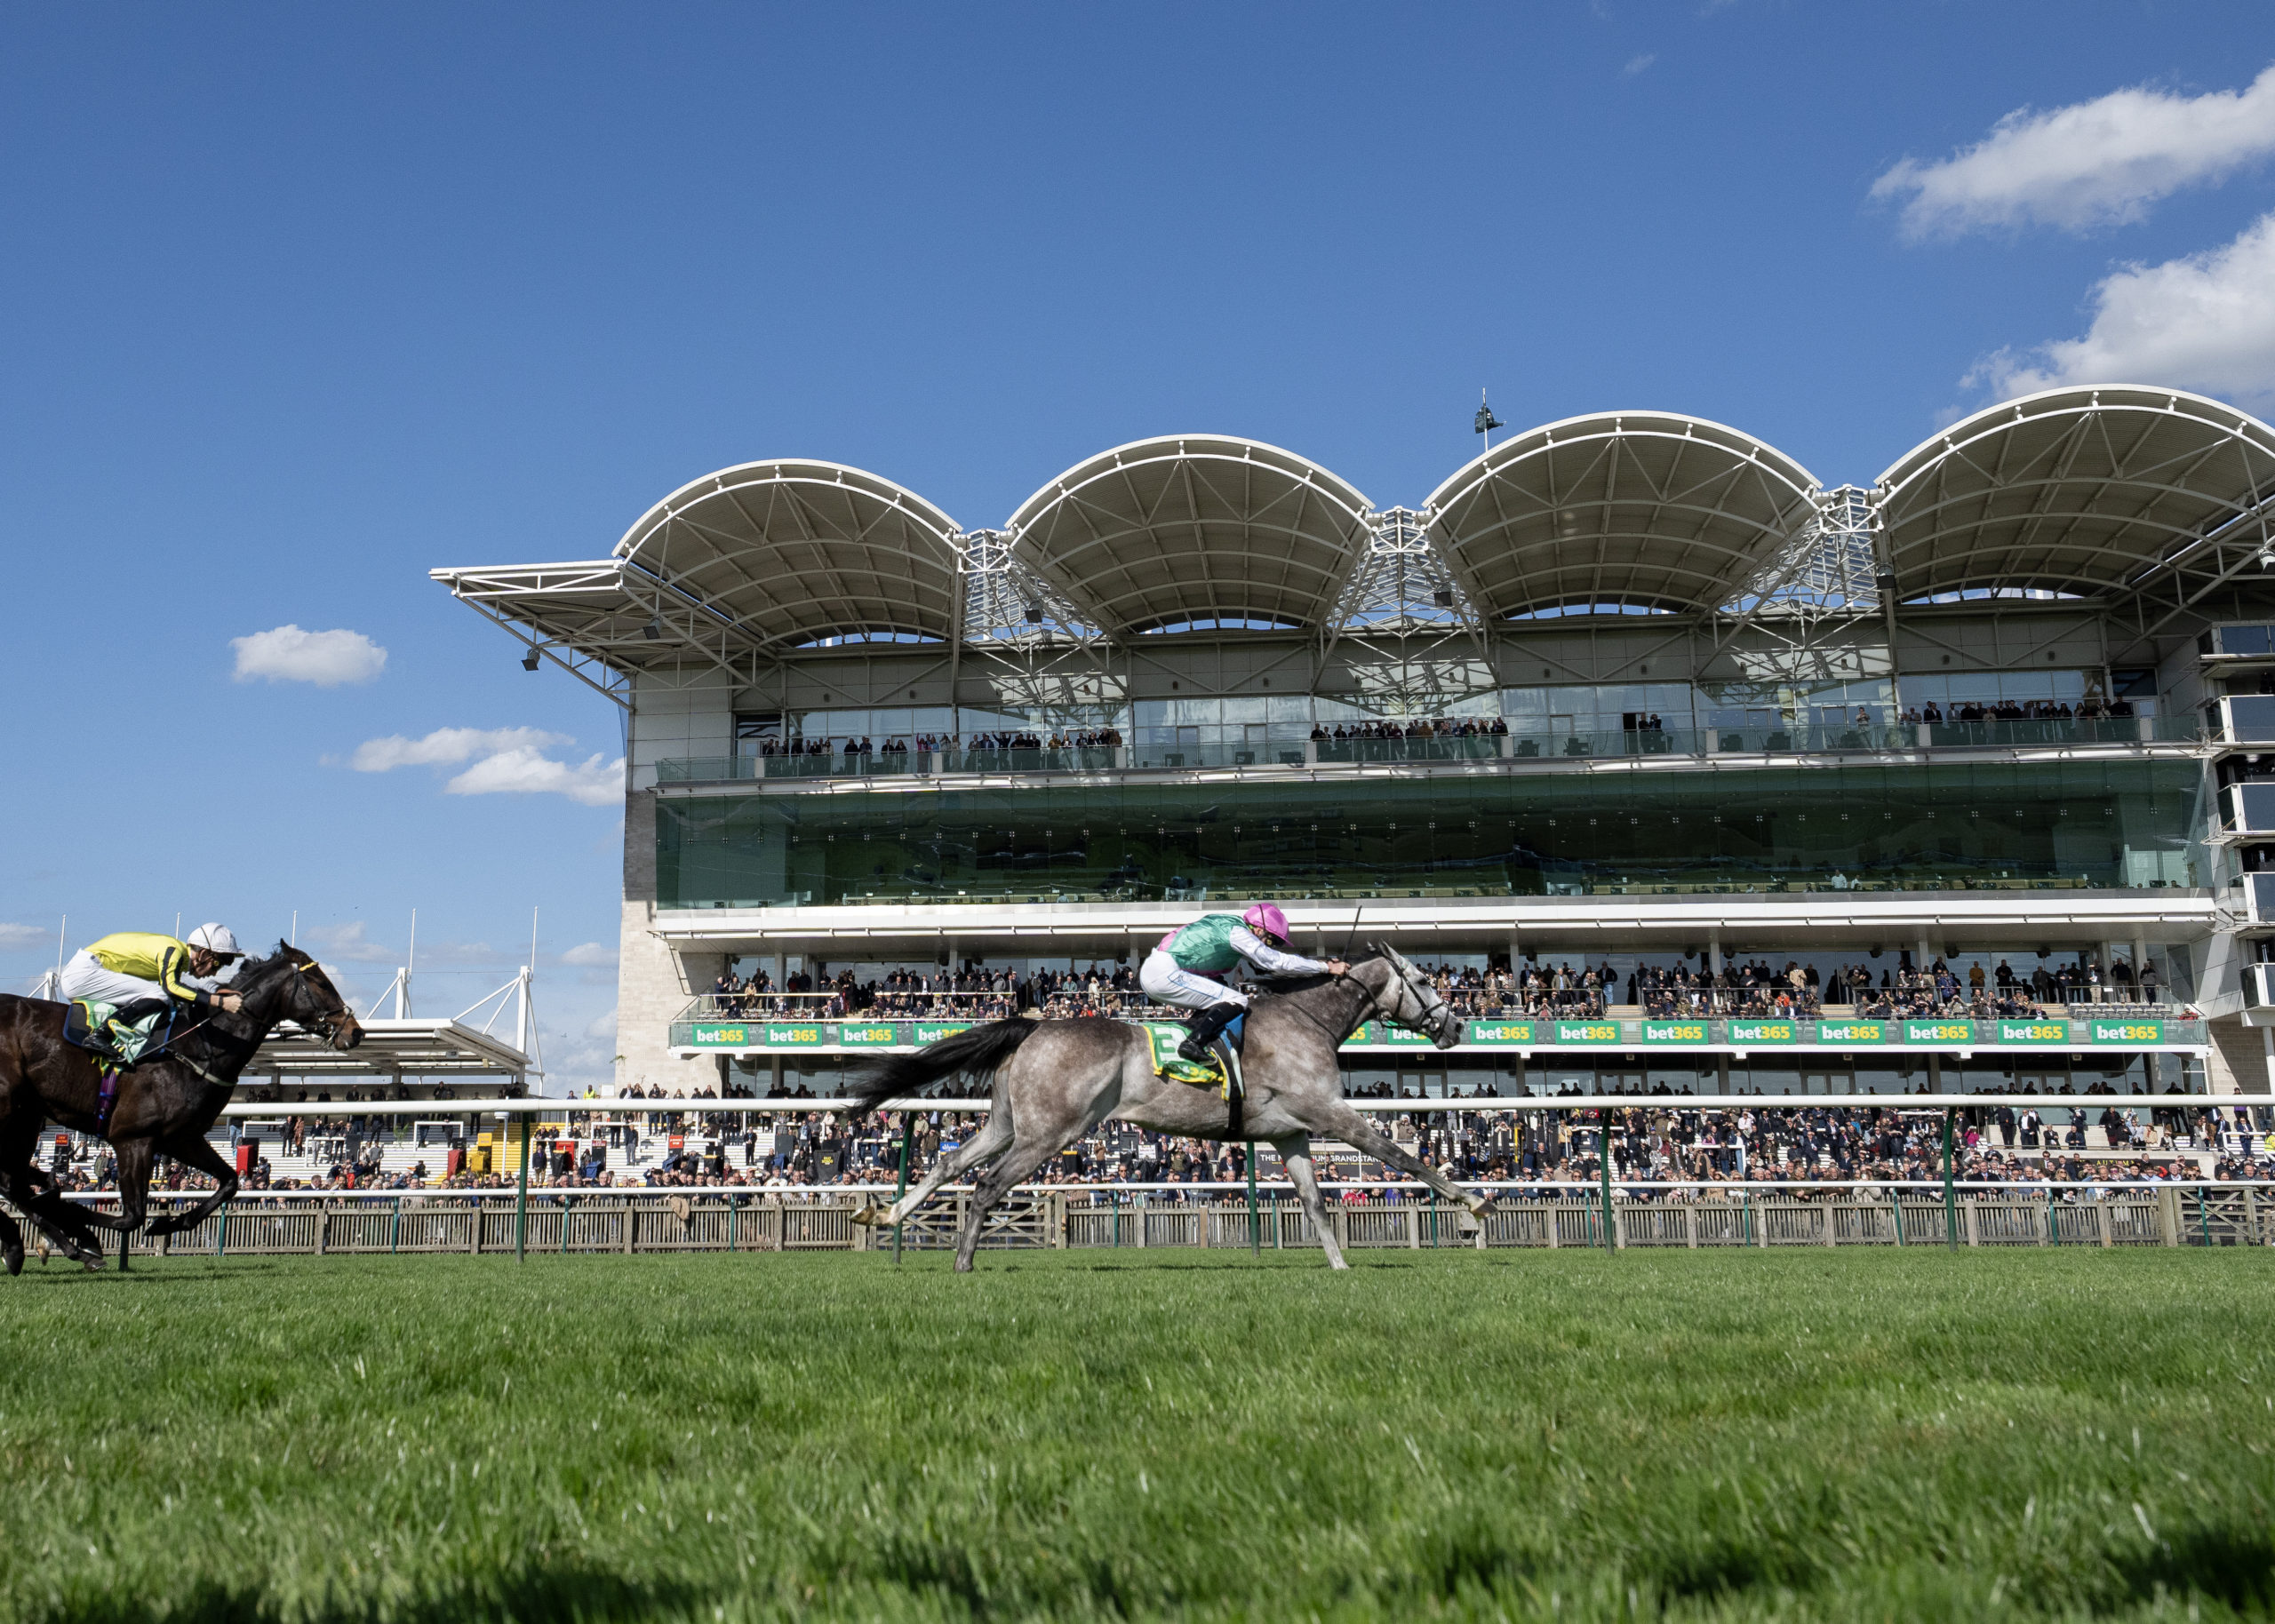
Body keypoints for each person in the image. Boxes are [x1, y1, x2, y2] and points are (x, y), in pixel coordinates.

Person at [1139, 903, 1345, 1062]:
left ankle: (1193, 1036)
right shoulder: (1239, 933)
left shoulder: (1229, 925)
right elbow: (1275, 961)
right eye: (1271, 940)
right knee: (1237, 1000)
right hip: (1164, 973)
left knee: (1219, 999)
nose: (1270, 946)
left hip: (1158, 970)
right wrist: (1325, 967)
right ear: (1258, 929)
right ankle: (1194, 1043)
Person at [58, 923, 245, 1025]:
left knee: (163, 999)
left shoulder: (177, 956)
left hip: (87, 972)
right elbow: (171, 988)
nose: (215, 972)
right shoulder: (173, 951)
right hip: (84, 973)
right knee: (161, 994)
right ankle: (105, 1033)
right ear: (204, 953)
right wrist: (219, 1002)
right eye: (218, 963)